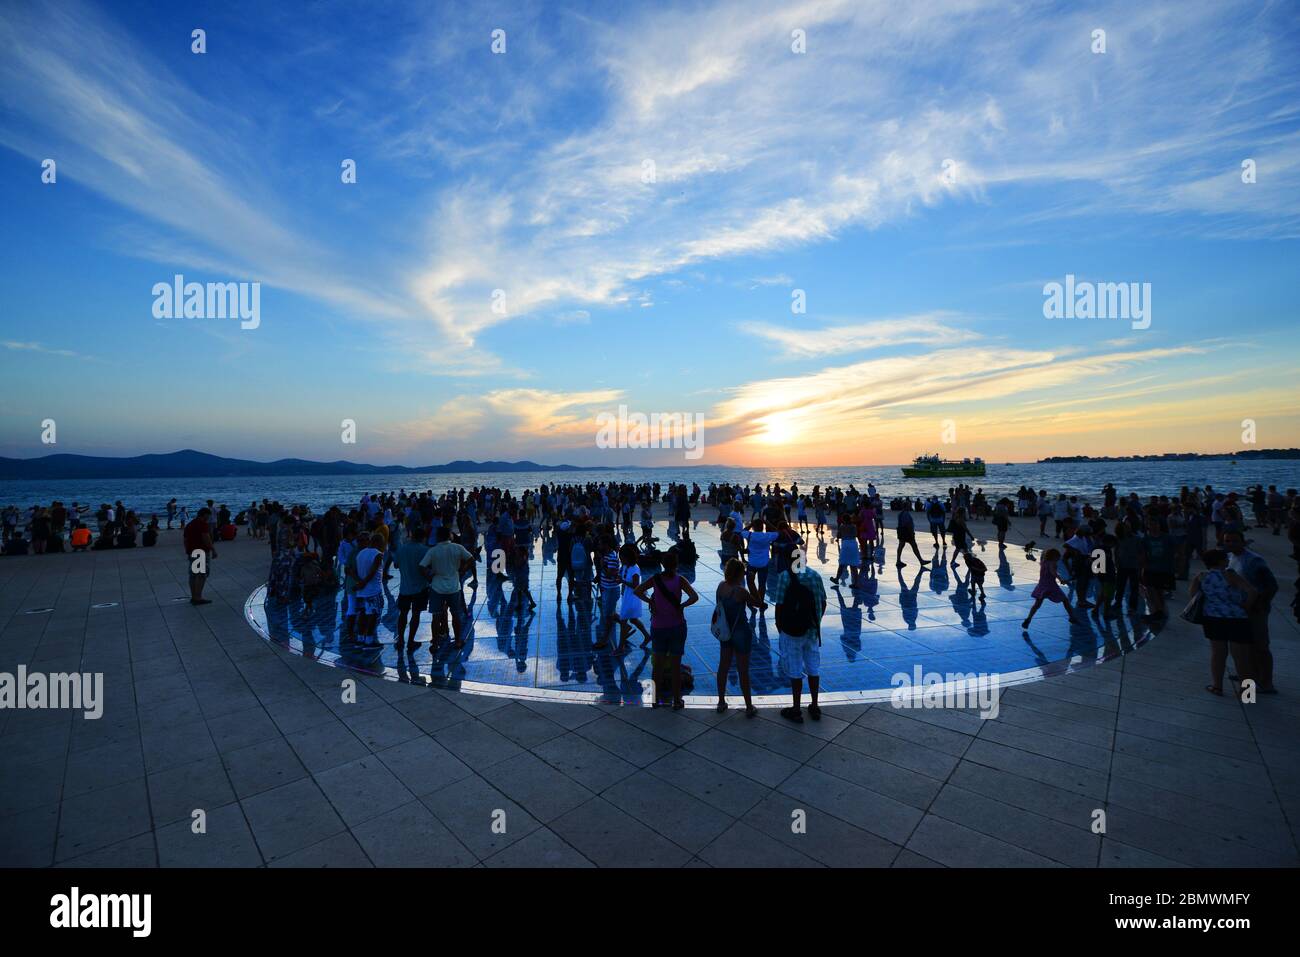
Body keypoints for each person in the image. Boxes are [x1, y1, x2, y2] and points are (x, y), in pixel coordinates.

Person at [634, 550, 699, 710]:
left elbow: (637, 591)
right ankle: (677, 700)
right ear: (676, 564)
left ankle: (655, 700)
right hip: (677, 625)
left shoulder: (655, 579)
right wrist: (681, 606)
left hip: (658, 626)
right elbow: (694, 597)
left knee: (658, 666)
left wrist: (651, 601)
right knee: (676, 666)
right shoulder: (680, 580)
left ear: (663, 564)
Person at [770, 547, 827, 723]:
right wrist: (816, 621)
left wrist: (781, 628)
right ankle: (815, 705)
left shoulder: (784, 577)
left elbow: (779, 606)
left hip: (791, 632)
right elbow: (823, 602)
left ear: (789, 561)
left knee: (795, 669)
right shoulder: (815, 576)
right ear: (804, 559)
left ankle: (796, 708)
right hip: (811, 631)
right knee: (813, 668)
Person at [1189, 549, 1256, 696]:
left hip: (1213, 619)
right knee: (1241, 657)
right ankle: (1247, 692)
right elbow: (1251, 591)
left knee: (1218, 654)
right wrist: (1247, 606)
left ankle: (1217, 686)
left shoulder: (1201, 576)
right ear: (1220, 561)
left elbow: (1193, 595)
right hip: (1237, 619)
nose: (1228, 561)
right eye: (1225, 558)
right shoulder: (1230, 575)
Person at [1223, 531, 1278, 693]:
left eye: (1234, 541)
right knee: (1245, 646)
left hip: (1255, 610)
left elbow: (1272, 586)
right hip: (1240, 610)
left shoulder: (1254, 560)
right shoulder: (1231, 557)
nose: (1230, 544)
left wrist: (1260, 604)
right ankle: (1250, 676)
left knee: (1260, 646)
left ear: (1243, 542)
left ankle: (1267, 683)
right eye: (1227, 541)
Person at [713, 558, 763, 716]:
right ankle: (749, 706)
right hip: (741, 632)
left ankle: (721, 702)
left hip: (725, 632)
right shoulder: (740, 591)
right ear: (739, 574)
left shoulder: (721, 587)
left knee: (723, 667)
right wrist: (753, 583)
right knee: (743, 670)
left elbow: (719, 608)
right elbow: (759, 603)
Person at [420, 526, 474, 650]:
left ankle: (435, 643)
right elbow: (471, 558)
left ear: (438, 536)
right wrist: (462, 571)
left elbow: (422, 566)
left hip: (437, 587)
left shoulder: (433, 551)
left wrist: (429, 578)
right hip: (454, 587)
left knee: (436, 616)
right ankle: (458, 641)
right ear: (450, 535)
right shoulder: (457, 548)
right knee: (456, 615)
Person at [395, 523, 431, 653]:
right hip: (420, 588)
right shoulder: (424, 550)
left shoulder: (402, 549)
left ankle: (400, 640)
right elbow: (427, 568)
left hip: (404, 587)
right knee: (416, 614)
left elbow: (396, 565)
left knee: (402, 614)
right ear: (423, 538)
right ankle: (411, 641)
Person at [1022, 548, 1079, 629]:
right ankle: (1072, 617)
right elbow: (1053, 572)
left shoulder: (1043, 562)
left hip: (1042, 585)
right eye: (1057, 557)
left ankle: (1028, 618)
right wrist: (1060, 579)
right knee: (1065, 600)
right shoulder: (1052, 563)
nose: (1058, 559)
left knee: (1037, 604)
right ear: (1054, 557)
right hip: (1051, 586)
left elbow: (1044, 557)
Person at [352, 533, 386, 644]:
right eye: (382, 543)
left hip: (361, 591)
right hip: (373, 590)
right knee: (373, 614)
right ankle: (369, 640)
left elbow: (355, 571)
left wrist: (359, 583)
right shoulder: (378, 554)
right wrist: (364, 583)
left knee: (362, 614)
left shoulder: (360, 553)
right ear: (378, 542)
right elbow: (373, 572)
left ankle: (360, 638)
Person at [183, 507, 216, 606]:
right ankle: (198, 597)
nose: (209, 518)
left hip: (192, 552)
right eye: (208, 515)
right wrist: (213, 550)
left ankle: (193, 596)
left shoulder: (190, 524)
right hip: (201, 552)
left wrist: (187, 551)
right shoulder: (202, 524)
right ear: (205, 514)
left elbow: (185, 539)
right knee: (201, 575)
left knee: (193, 575)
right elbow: (206, 538)